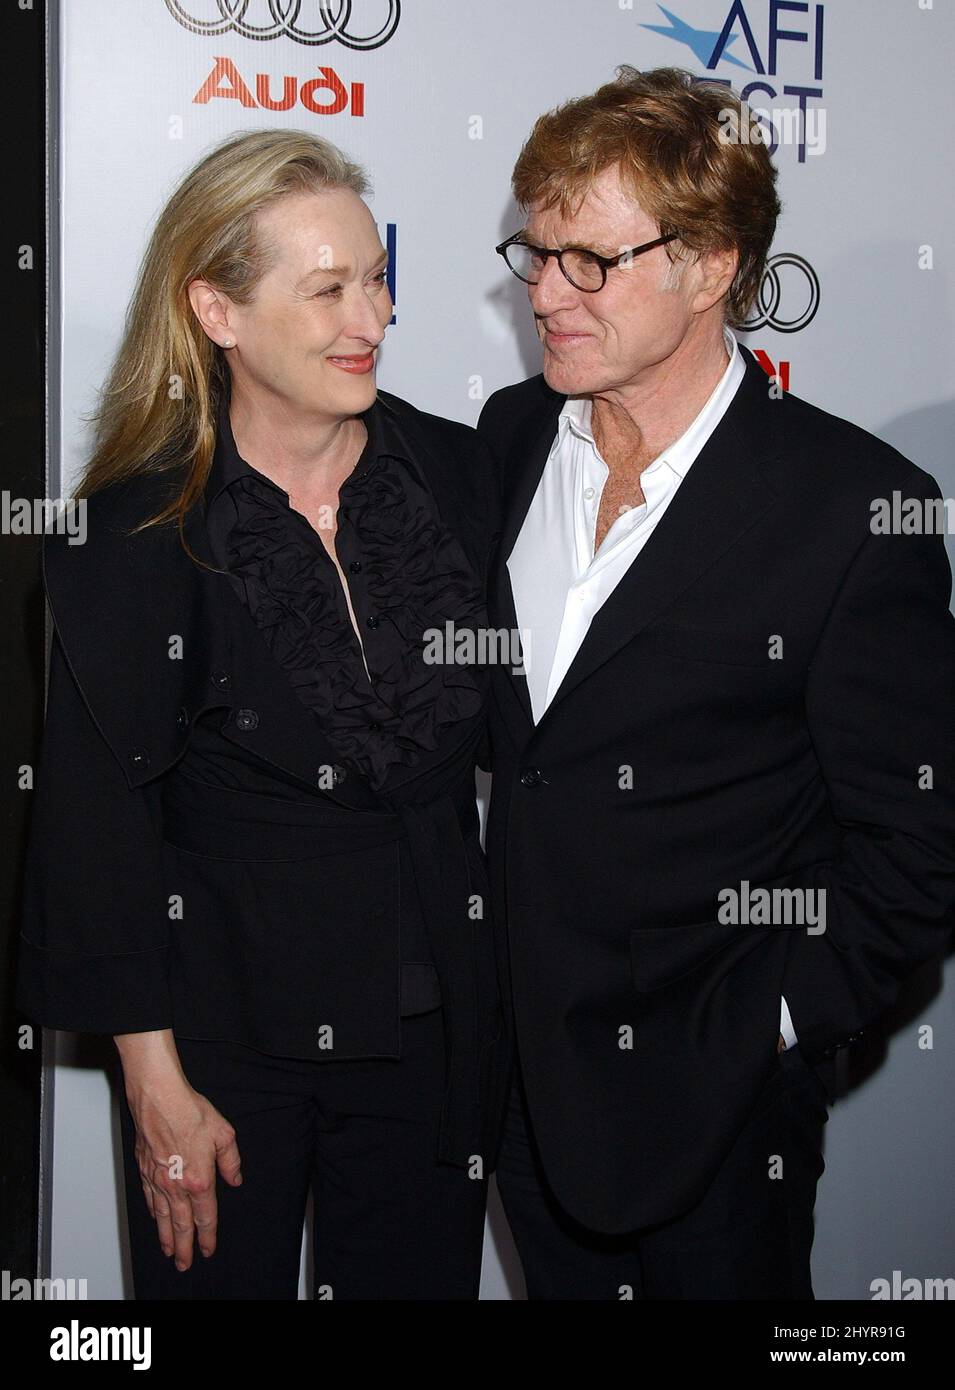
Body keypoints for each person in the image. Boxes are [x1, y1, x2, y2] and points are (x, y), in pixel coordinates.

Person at [477, 66, 955, 1300]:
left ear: (708, 266)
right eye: (535, 254)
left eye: (589, 260)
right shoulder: (510, 436)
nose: (543, 292)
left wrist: (765, 1034)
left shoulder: (852, 512)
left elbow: (917, 847)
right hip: (513, 1086)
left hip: (714, 1118)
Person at [17, 129, 509, 1300]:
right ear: (217, 311)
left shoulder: (456, 475)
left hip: (433, 1038)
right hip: (224, 1046)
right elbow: (94, 832)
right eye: (328, 287)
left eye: (376, 276)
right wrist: (152, 1081)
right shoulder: (131, 536)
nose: (371, 317)